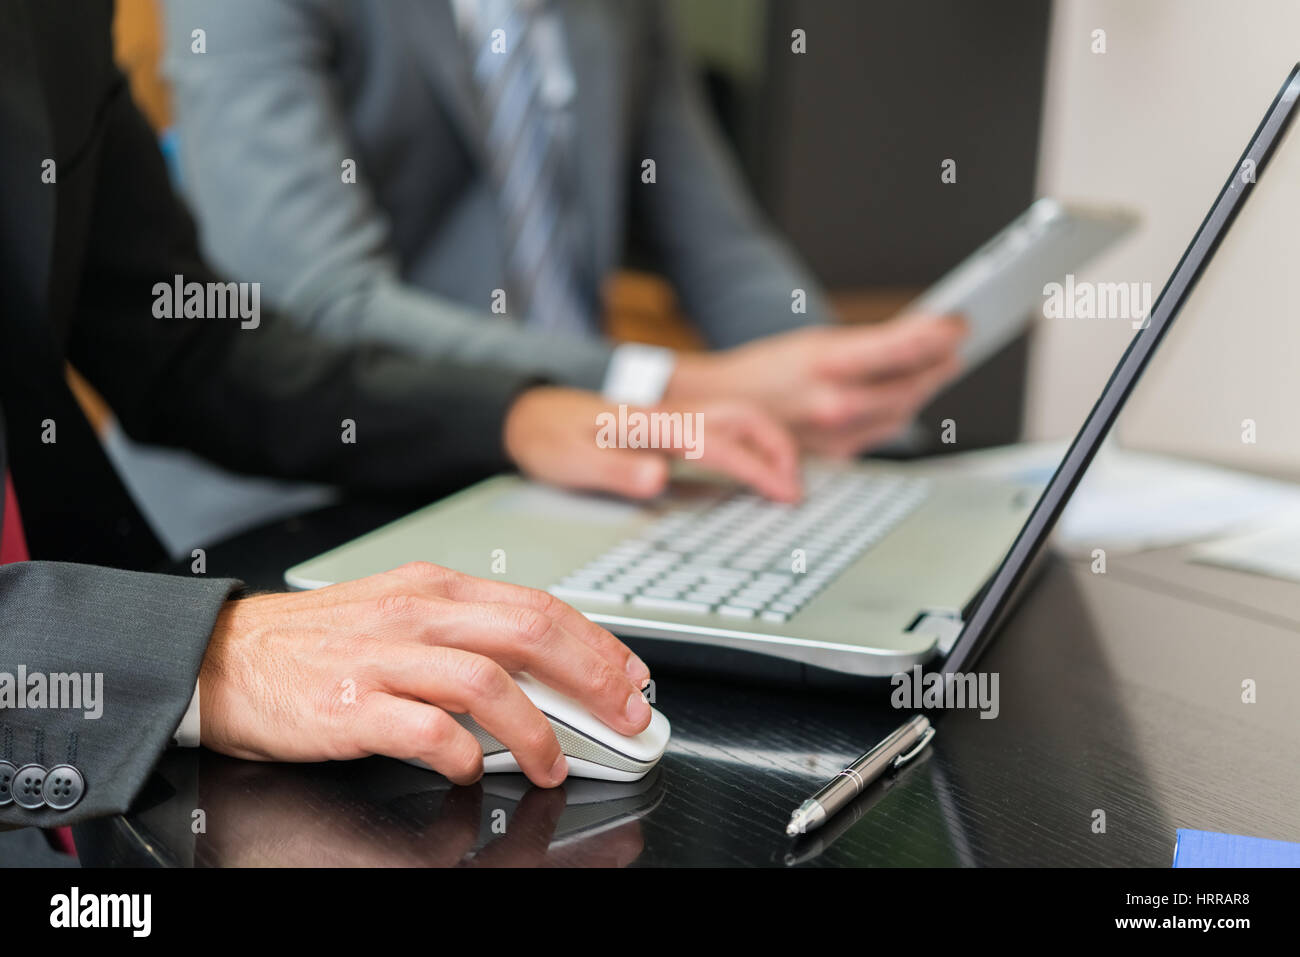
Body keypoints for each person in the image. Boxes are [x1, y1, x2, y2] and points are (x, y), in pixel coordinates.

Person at [0, 0, 801, 828]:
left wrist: (512, 415)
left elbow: (187, 352)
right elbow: (324, 295)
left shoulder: (52, 20)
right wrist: (192, 656)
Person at [161, 0, 967, 458]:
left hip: (583, 464)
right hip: (327, 479)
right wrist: (666, 390)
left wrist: (863, 415)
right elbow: (327, 304)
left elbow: (724, 250)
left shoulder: (620, 13)